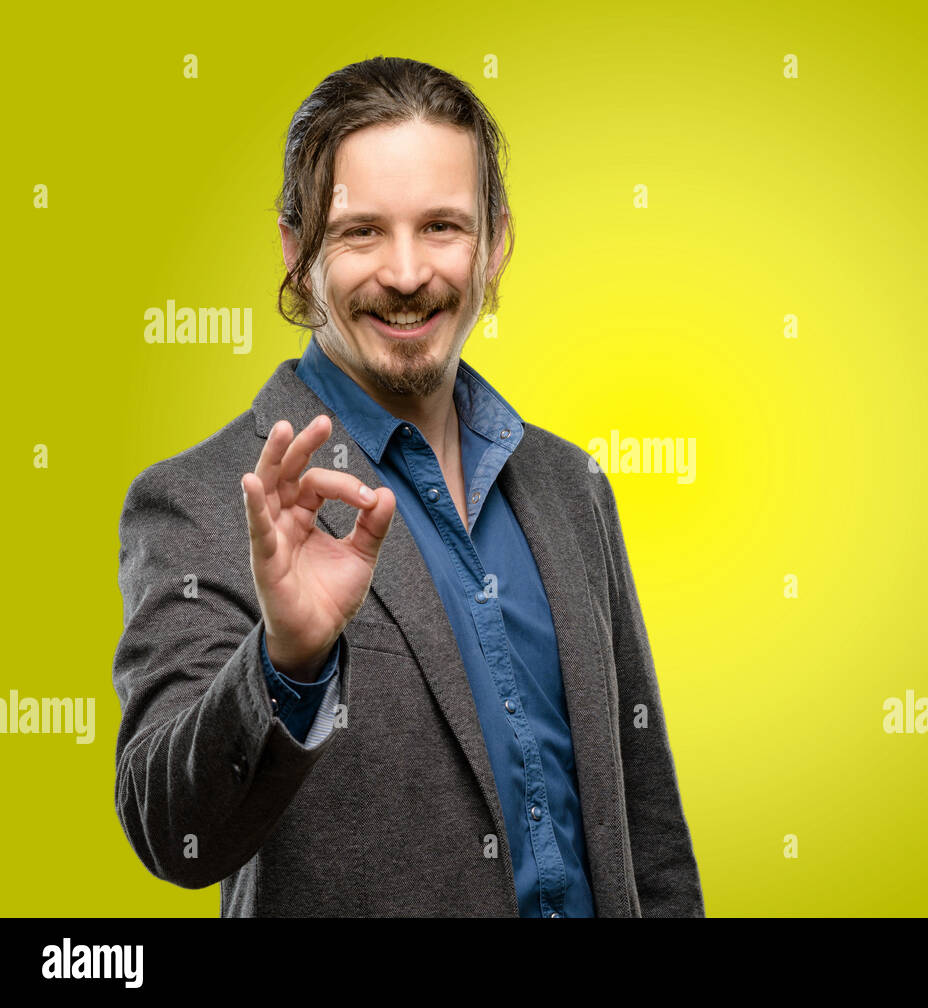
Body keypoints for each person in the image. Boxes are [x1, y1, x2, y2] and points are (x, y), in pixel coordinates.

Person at [111, 56, 703, 917]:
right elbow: (172, 834)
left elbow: (647, 830)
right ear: (295, 248)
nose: (405, 272)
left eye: (441, 227)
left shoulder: (569, 482)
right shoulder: (205, 499)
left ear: (495, 243)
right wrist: (288, 662)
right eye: (360, 233)